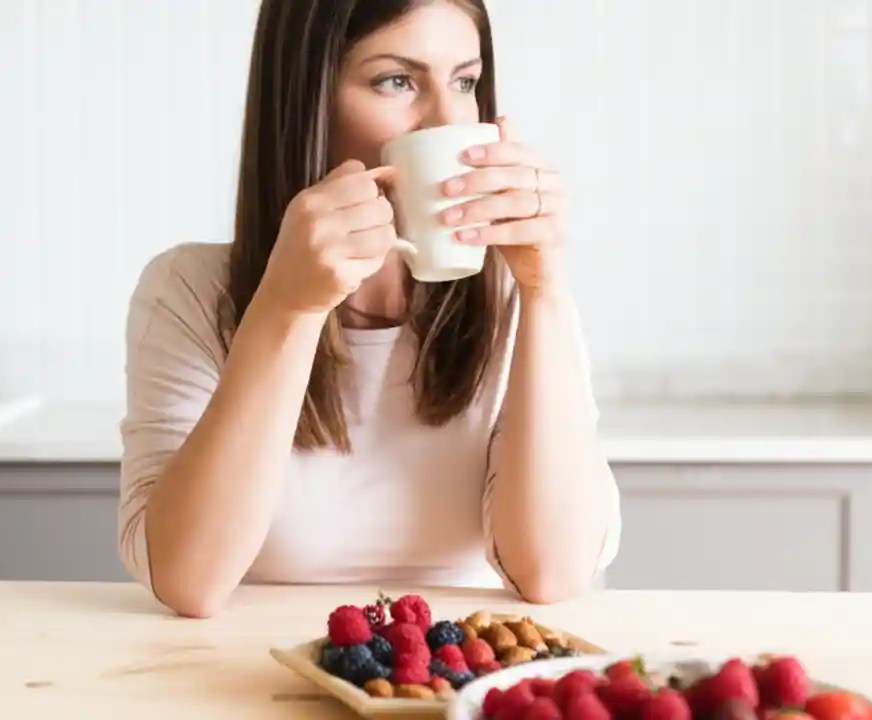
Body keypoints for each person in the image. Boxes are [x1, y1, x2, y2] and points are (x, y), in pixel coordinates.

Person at [117, 0, 621, 619]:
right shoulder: (190, 290)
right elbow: (188, 581)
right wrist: (287, 307)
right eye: (397, 81)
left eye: (465, 82)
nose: (446, 122)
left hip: (460, 681)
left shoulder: (518, 291)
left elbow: (554, 572)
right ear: (308, 103)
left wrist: (543, 291)